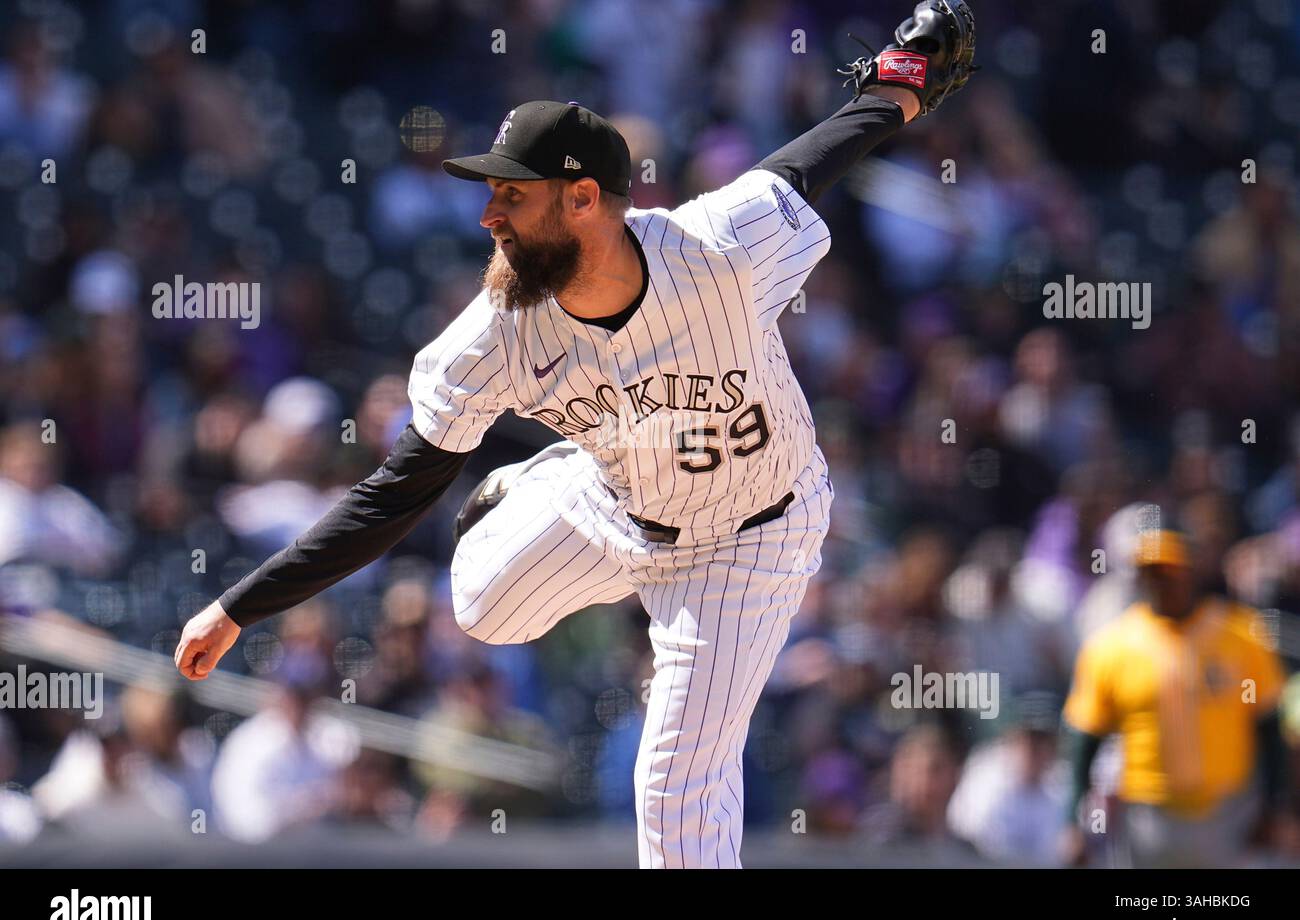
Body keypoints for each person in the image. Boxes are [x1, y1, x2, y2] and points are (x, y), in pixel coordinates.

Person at [176, 2, 978, 868]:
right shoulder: (496, 332)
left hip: (751, 542)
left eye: (513, 195)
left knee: (673, 792)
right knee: (480, 604)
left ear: (586, 199)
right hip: (615, 502)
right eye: (490, 193)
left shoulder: (718, 246)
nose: (490, 216)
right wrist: (237, 605)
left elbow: (820, 153)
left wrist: (906, 75)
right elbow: (395, 493)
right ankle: (550, 474)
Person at [1060, 529, 1290, 867]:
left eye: (1169, 571)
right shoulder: (1112, 646)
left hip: (1230, 809)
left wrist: (1275, 807)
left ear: (1192, 571)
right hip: (1147, 813)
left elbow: (1269, 727)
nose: (1160, 582)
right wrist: (1073, 823)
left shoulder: (1242, 636)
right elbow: (1085, 740)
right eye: (1150, 573)